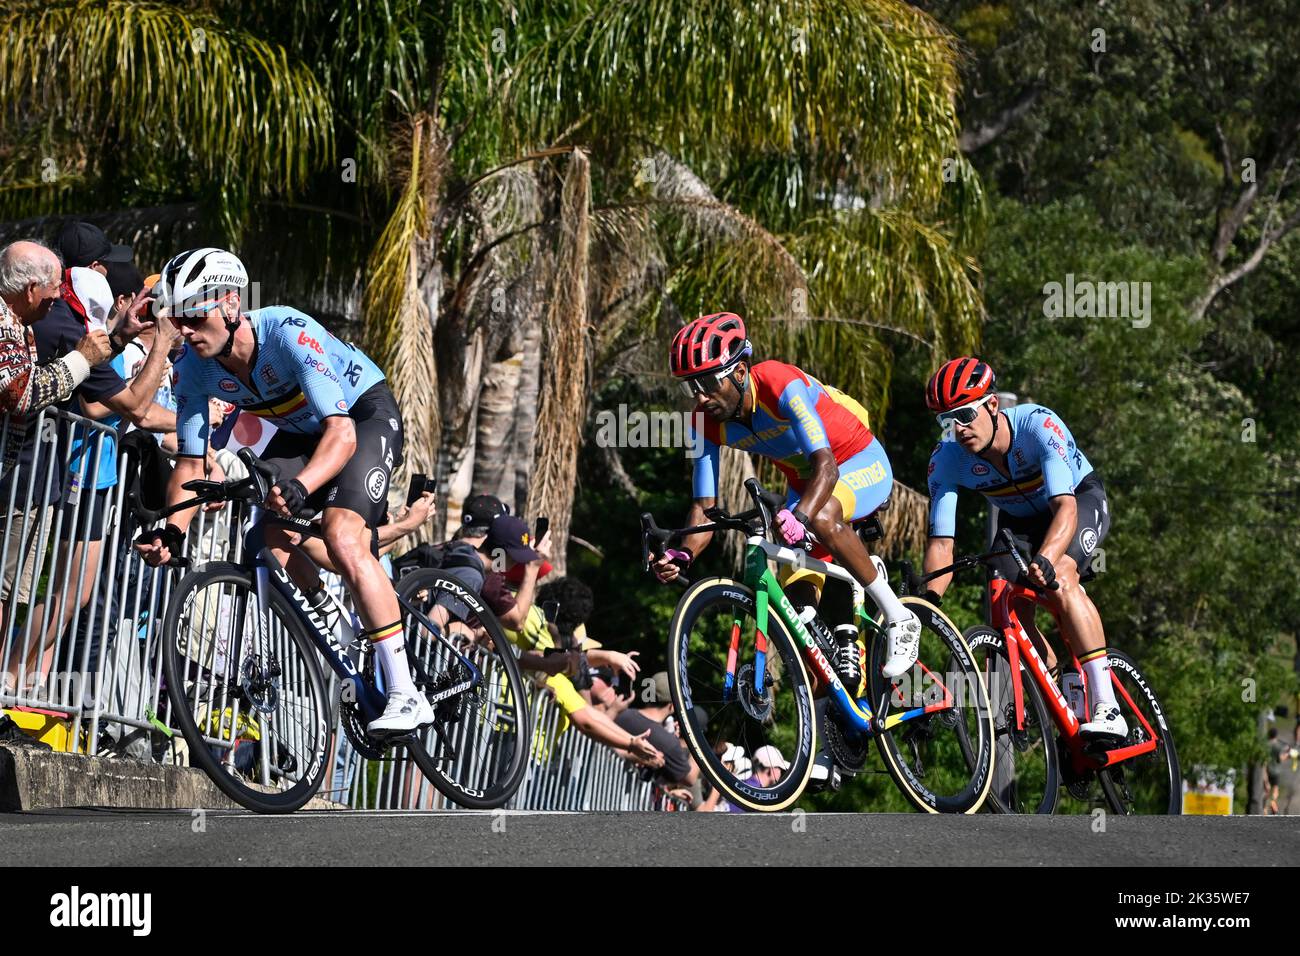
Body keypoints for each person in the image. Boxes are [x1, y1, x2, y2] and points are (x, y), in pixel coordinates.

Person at [133, 247, 428, 735]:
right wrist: (174, 530)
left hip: (359, 416)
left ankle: (405, 691)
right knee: (268, 533)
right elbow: (189, 459)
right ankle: (339, 622)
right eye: (176, 318)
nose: (182, 330)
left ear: (230, 303)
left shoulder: (287, 332)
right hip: (302, 428)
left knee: (342, 534)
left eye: (192, 316)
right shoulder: (193, 369)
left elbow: (343, 435)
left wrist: (301, 485)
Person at [651, 312, 920, 784]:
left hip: (855, 461)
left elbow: (826, 466)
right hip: (806, 485)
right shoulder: (703, 421)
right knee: (799, 617)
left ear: (739, 370)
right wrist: (683, 554)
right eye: (690, 386)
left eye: (707, 382)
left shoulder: (779, 382)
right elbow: (704, 508)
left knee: (818, 516)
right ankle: (831, 723)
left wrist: (799, 516)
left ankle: (899, 615)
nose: (699, 396)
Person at [921, 357, 1124, 737]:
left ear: (993, 405)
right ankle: (1054, 694)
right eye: (947, 421)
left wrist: (1047, 559)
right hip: (1019, 521)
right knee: (1005, 601)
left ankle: (1107, 704)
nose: (959, 428)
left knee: (1061, 576)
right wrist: (928, 602)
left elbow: (1064, 508)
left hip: (1075, 502)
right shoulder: (945, 458)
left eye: (966, 414)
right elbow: (942, 542)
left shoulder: (1038, 426)